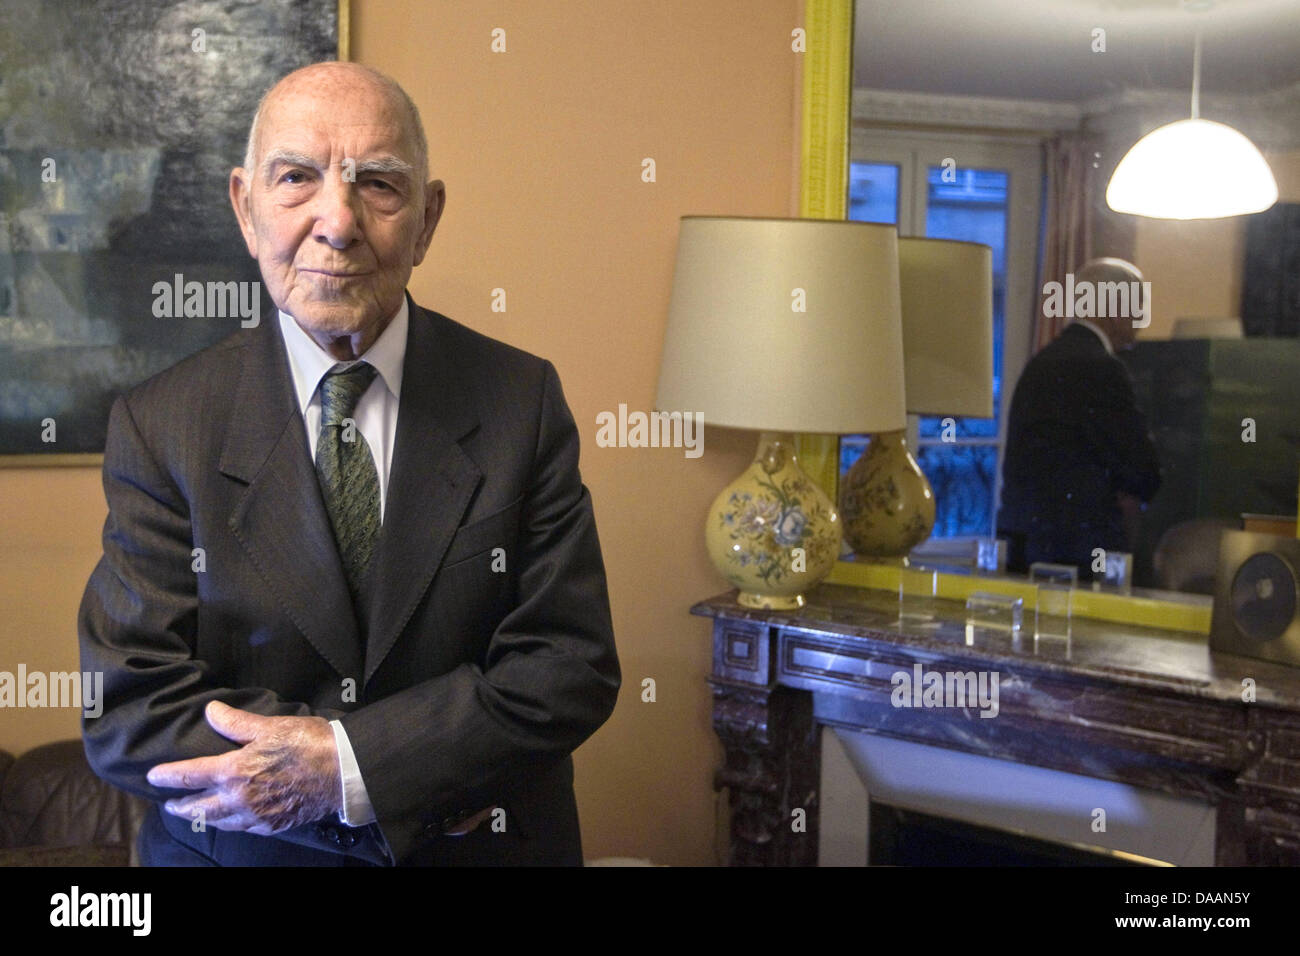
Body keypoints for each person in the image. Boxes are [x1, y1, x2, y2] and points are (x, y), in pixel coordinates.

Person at [77, 61, 620, 866]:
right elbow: (132, 706)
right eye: (296, 178)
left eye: (379, 185)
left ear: (428, 219)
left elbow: (568, 668)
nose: (338, 221)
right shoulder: (162, 424)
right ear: (245, 208)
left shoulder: (520, 401)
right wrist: (374, 793)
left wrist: (353, 769)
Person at [996, 257, 1161, 580]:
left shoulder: (1041, 362)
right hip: (1079, 553)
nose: (1141, 320)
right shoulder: (1102, 369)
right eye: (1138, 306)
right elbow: (1143, 470)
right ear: (1114, 306)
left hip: (1026, 545)